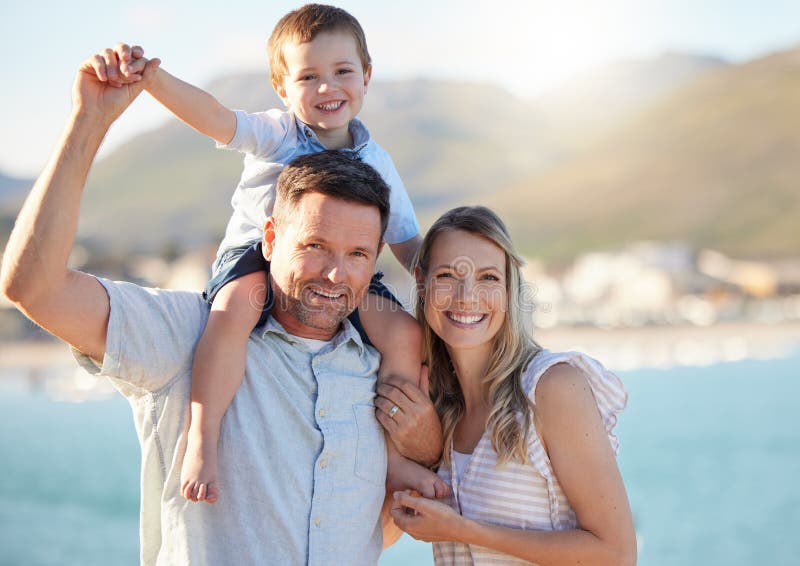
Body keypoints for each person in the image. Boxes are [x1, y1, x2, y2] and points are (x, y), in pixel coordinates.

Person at [0, 53, 441, 565]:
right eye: (315, 246)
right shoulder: (189, 335)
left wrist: (425, 445)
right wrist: (88, 122)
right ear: (270, 239)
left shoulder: (382, 363)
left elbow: (381, 527)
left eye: (358, 255)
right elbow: (34, 287)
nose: (336, 274)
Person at [108, 3, 432, 504]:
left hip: (339, 268)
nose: (327, 88)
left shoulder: (377, 161)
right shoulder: (277, 133)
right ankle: (202, 437)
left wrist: (447, 288)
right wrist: (153, 79)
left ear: (366, 76)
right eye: (308, 76)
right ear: (282, 88)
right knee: (236, 307)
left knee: (404, 333)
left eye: (342, 71)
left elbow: (408, 242)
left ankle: (393, 455)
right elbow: (215, 118)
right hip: (256, 257)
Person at [385, 206, 637, 565]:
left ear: (509, 290)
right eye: (446, 275)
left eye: (488, 278)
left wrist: (461, 529)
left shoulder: (551, 387)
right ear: (423, 284)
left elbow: (616, 554)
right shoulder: (438, 408)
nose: (466, 295)